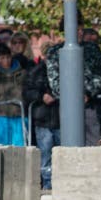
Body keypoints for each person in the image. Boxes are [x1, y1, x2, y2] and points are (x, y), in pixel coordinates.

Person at [45, 11, 101, 146]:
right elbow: (54, 81)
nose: (79, 33)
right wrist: (72, 96)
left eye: (81, 29)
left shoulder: (92, 49)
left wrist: (87, 93)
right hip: (66, 107)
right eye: (76, 30)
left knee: (94, 143)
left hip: (90, 105)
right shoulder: (54, 52)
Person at [23, 42, 60, 189]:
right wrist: (41, 96)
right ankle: (47, 184)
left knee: (60, 153)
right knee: (45, 155)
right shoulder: (35, 72)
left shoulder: (63, 71)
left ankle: (58, 184)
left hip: (60, 119)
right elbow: (26, 92)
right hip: (42, 119)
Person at [0, 43, 26, 146]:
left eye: (8, 57)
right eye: (2, 58)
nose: (6, 61)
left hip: (19, 115)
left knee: (19, 148)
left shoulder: (22, 73)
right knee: (1, 148)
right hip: (1, 116)